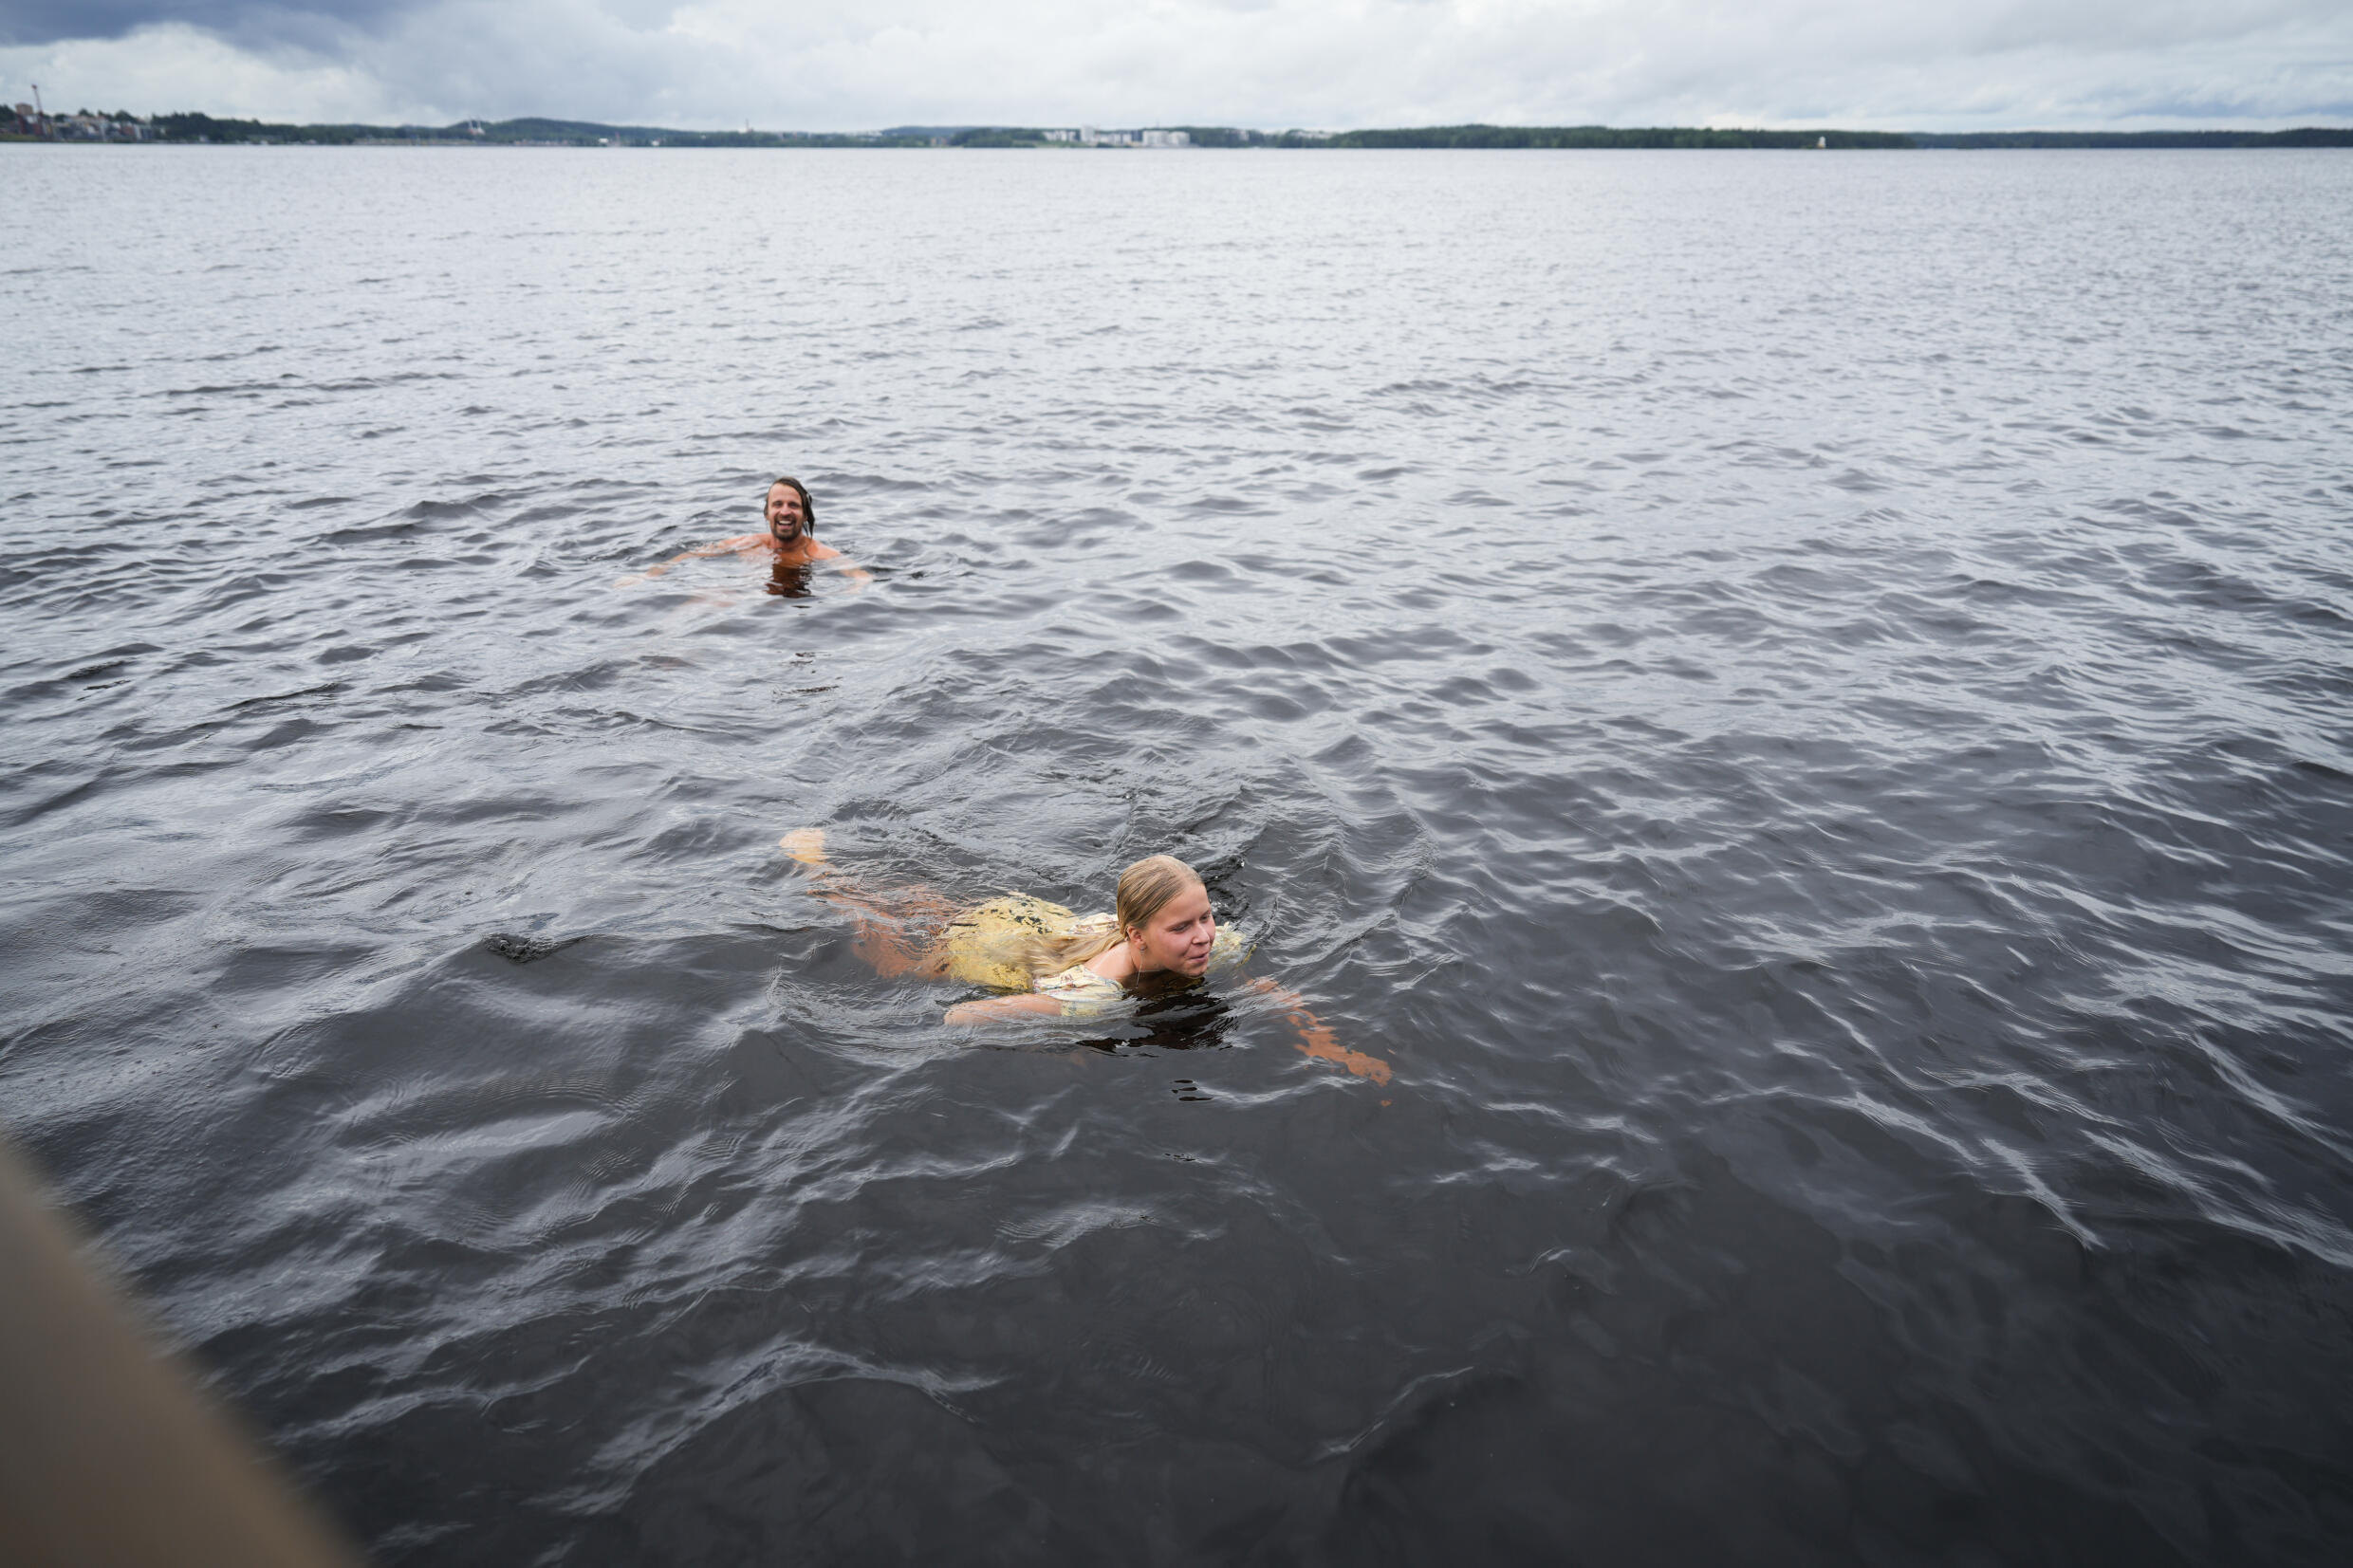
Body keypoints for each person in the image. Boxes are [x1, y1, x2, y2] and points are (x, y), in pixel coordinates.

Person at [778, 831, 1390, 1083]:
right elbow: (961, 1018)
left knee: (927, 903)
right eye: (1183, 927)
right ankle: (817, 870)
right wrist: (1067, 1039)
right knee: (892, 949)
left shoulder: (1210, 940)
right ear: (1138, 935)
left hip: (1035, 920)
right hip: (987, 947)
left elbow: (1271, 987)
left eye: (1205, 917)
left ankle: (832, 866)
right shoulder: (1096, 991)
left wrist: (1326, 1043)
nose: (1205, 936)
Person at [618, 476, 871, 588]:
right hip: (749, 596)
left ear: (804, 515)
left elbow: (861, 576)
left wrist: (852, 590)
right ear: (766, 513)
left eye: (793, 505)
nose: (785, 511)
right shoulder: (748, 543)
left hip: (794, 604)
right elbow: (690, 556)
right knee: (704, 599)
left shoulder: (818, 552)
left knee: (718, 600)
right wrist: (644, 576)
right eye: (777, 504)